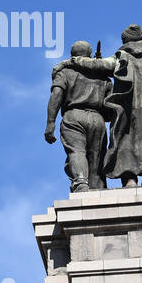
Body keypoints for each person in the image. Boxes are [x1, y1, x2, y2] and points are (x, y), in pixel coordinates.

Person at [53, 0, 142, 187]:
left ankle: (129, 180)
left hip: (128, 111)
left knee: (126, 141)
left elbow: (97, 65)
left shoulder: (121, 57)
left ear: (125, 41)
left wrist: (69, 62)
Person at [45, 42, 112, 193]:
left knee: (77, 151)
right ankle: (98, 188)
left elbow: (56, 95)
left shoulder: (65, 72)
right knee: (97, 157)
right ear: (89, 54)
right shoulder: (103, 76)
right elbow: (110, 105)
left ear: (72, 55)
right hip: (98, 119)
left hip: (73, 116)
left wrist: (50, 122)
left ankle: (81, 183)